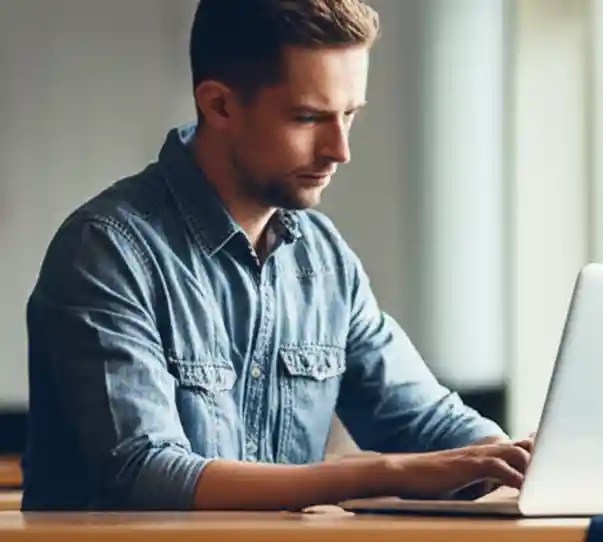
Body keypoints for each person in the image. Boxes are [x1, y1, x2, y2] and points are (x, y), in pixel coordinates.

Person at [21, 0, 530, 511]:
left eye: (349, 114)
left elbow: (430, 425)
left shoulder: (325, 260)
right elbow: (147, 473)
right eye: (309, 117)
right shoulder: (108, 250)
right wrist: (377, 474)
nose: (340, 149)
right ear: (220, 106)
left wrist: (509, 456)